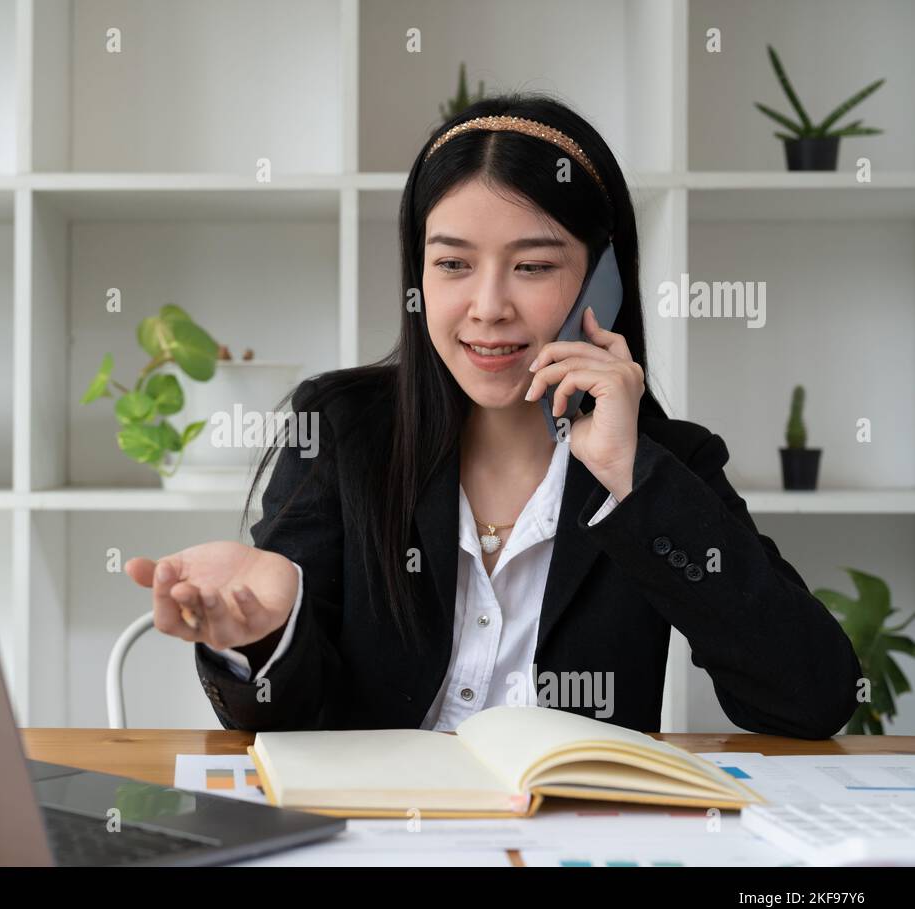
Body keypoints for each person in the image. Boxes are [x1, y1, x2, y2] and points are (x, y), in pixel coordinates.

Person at [124, 92, 862, 738]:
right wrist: (266, 637)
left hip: (574, 838)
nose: (487, 308)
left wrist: (629, 477)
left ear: (601, 276)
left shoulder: (665, 461)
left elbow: (813, 700)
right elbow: (290, 718)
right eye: (452, 264)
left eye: (534, 266)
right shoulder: (343, 430)